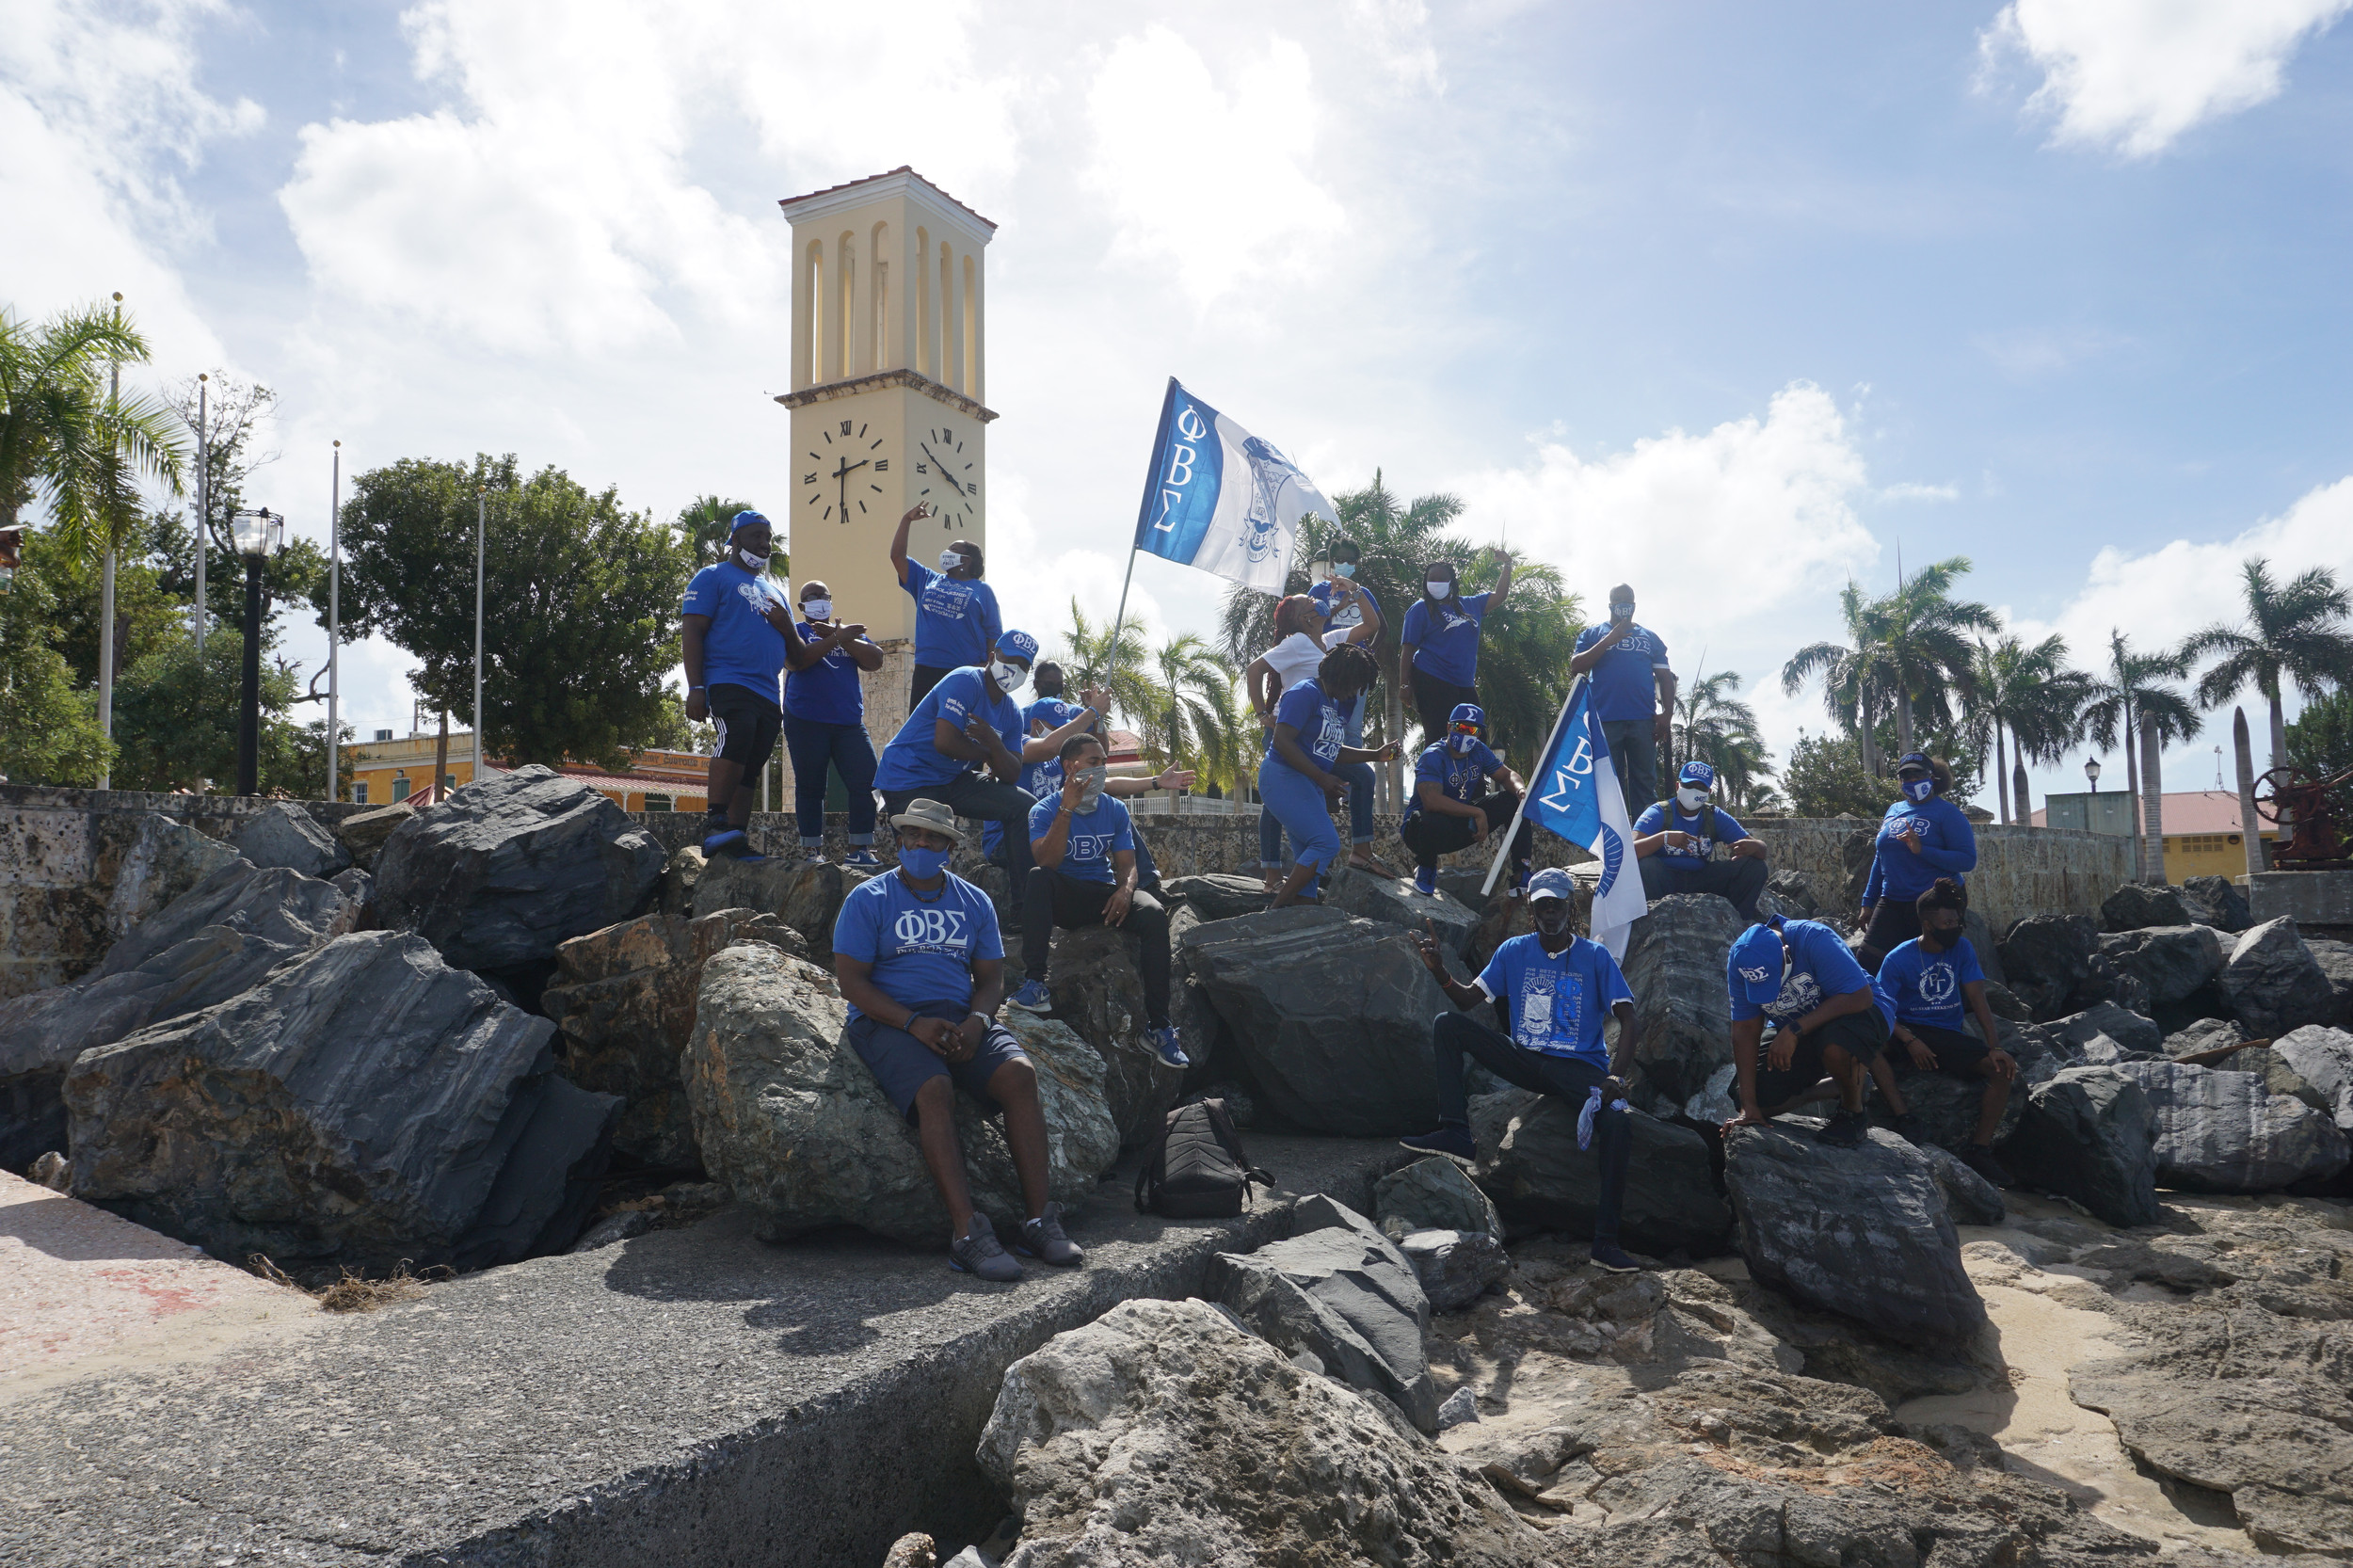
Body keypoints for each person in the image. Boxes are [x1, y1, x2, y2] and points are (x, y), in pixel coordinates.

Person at [832, 799, 1080, 1282]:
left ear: (949, 847)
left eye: (933, 838)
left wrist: (978, 1024)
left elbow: (989, 980)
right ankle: (967, 1233)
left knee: (1018, 1075)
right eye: (913, 836)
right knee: (934, 1089)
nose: (922, 845)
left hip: (959, 1019)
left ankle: (1039, 1221)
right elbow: (852, 983)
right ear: (899, 840)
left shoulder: (972, 901)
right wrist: (911, 1024)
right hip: (886, 1021)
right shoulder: (869, 898)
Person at [1399, 868, 1645, 1274]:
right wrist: (1439, 970)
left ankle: (1605, 1243)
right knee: (1447, 1024)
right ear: (1532, 910)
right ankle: (1458, 1132)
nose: (1551, 913)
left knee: (1618, 1125)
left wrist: (1614, 1078)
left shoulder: (1595, 956)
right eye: (1542, 905)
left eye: (1557, 904)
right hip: (1526, 1058)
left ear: (1570, 907)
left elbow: (1630, 1020)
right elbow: (1467, 1001)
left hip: (1578, 1067)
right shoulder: (1514, 950)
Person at [1007, 733, 1189, 1069]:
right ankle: (1034, 984)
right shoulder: (1042, 810)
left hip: (1102, 895)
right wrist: (1067, 809)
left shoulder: (1114, 809)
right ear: (1069, 766)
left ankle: (1160, 1027)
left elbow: (1127, 864)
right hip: (1064, 896)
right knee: (1037, 879)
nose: (1102, 769)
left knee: (1151, 912)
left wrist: (1126, 890)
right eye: (1094, 762)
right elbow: (1046, 862)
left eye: (1104, 762)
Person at [872, 631, 1103, 887]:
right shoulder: (965, 680)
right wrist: (990, 751)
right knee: (924, 845)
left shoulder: (1012, 714)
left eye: (1023, 666)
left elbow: (1011, 773)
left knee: (1023, 805)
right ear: (992, 657)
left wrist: (993, 743)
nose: (1015, 669)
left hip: (953, 779)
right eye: (1010, 660)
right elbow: (945, 742)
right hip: (909, 776)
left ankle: (1024, 908)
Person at [1870, 878, 2018, 1187]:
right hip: (1905, 1028)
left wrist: (1995, 1047)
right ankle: (1903, 1117)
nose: (1954, 927)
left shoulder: (1962, 948)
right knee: (1868, 1043)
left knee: (2001, 1072)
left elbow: (1978, 1000)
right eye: (1947, 922)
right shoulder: (1899, 958)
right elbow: (1879, 1010)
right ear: (1927, 924)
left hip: (1947, 1034)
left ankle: (1980, 1149)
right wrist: (1910, 1041)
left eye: (1956, 921)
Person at [1247, 592, 1392, 890]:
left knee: (1363, 775)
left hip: (1319, 738)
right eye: (1308, 603)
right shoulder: (1297, 642)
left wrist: (1358, 593)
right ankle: (1273, 876)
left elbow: (1371, 624)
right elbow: (1254, 670)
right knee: (1274, 806)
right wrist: (1263, 715)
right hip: (1289, 733)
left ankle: (1361, 852)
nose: (1316, 601)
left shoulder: (1328, 641)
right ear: (1303, 618)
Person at [1720, 914, 1897, 1149]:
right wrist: (1748, 1107)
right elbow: (1745, 1028)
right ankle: (1836, 1086)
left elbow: (1860, 997)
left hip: (1858, 1011)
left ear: (1786, 951)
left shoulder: (1813, 938)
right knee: (1751, 1096)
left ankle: (1852, 1112)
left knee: (1836, 1045)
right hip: (1798, 1027)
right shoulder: (1741, 960)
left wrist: (1794, 1031)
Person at [682, 509, 792, 861]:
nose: (763, 544)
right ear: (735, 539)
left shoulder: (775, 592)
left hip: (767, 690)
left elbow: (795, 653)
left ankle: (735, 836)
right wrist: (696, 688)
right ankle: (714, 822)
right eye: (755, 536)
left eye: (768, 538)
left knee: (751, 761)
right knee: (736, 736)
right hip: (728, 679)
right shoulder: (711, 577)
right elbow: (693, 631)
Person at [781, 578, 885, 868]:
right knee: (811, 787)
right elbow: (797, 661)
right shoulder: (797, 630)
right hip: (805, 720)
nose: (818, 600)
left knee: (867, 781)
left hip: (848, 723)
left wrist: (843, 636)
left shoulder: (848, 633)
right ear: (801, 606)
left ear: (831, 601)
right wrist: (835, 639)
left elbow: (875, 660)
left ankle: (860, 848)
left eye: (822, 596)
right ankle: (812, 850)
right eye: (810, 597)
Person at [1855, 752, 1978, 968]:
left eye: (1917, 774)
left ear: (1932, 777)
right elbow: (1881, 857)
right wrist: (1868, 901)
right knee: (1868, 961)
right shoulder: (1894, 810)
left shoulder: (1947, 813)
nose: (1912, 780)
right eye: (1906, 776)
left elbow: (1967, 861)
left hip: (1934, 902)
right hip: (1892, 898)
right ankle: (1879, 1003)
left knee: (1929, 966)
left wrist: (1922, 850)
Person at [1398, 702, 1531, 898]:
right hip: (1420, 833)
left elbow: (1506, 775)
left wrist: (1521, 790)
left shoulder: (1479, 751)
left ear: (1478, 734)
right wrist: (1476, 812)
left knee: (1514, 802)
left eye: (1473, 730)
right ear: (1449, 727)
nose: (1467, 734)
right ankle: (1426, 869)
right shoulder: (1434, 755)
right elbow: (1431, 801)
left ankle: (1521, 874)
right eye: (1461, 727)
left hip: (1458, 826)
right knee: (1429, 818)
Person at [1569, 584, 1673, 817]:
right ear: (1610, 605)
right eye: (1619, 601)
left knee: (1645, 783)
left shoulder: (1650, 638)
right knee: (1608, 784)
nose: (1624, 606)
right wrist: (1609, 640)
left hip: (1642, 720)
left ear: (1634, 606)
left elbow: (1665, 678)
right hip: (1605, 721)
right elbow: (1577, 667)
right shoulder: (1593, 635)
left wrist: (1667, 714)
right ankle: (1614, 841)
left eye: (1628, 601)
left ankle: (1643, 840)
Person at [889, 502, 1002, 705]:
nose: (946, 553)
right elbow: (897, 557)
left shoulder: (982, 590)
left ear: (966, 560)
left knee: (955, 729)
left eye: (953, 550)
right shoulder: (926, 579)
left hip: (963, 671)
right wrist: (906, 520)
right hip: (926, 668)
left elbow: (994, 634)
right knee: (923, 730)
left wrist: (986, 666)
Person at [1631, 760, 1769, 920]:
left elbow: (1760, 849)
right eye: (1689, 786)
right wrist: (1664, 838)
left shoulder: (1713, 815)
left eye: (1700, 787)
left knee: (1755, 867)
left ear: (1708, 792)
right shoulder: (1658, 812)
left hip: (1701, 878)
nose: (1693, 791)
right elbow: (1630, 852)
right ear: (1678, 786)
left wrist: (1756, 846)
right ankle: (1651, 922)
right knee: (1646, 866)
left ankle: (1739, 924)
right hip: (1665, 879)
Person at [1401, 549, 1513, 741]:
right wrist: (1404, 684)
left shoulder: (1471, 605)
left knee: (1475, 737)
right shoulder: (1420, 608)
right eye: (1431, 579)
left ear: (1451, 582)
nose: (1435, 583)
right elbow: (1407, 650)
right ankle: (1436, 770)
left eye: (1441, 579)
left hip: (1464, 683)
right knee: (1440, 737)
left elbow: (1500, 595)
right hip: (1432, 679)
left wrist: (1507, 565)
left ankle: (1471, 772)